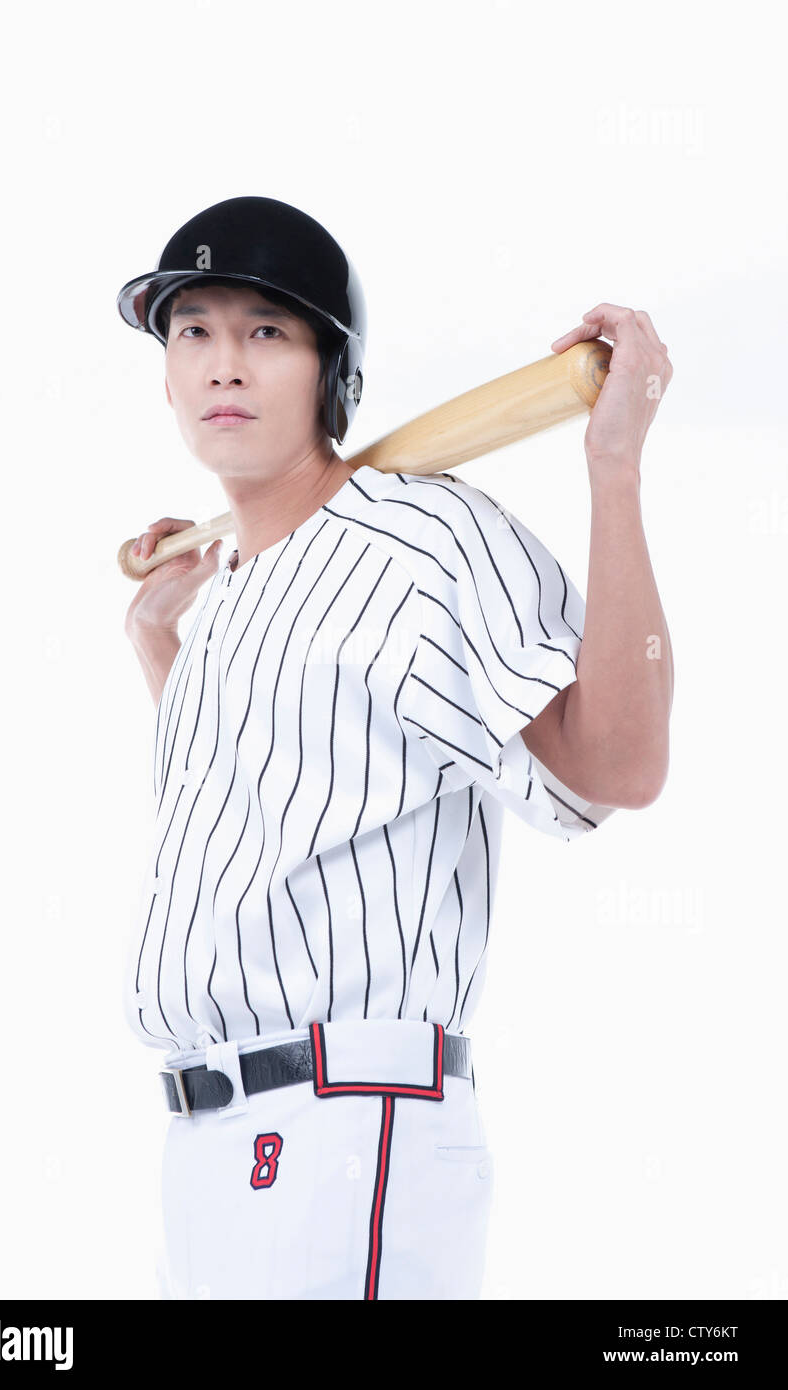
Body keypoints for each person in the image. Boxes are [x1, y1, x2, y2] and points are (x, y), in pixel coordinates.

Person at [116, 196, 673, 1300]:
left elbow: (613, 766)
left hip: (342, 1125)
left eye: (266, 332)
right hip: (204, 1142)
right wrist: (155, 637)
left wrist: (612, 468)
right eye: (195, 330)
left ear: (331, 372)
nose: (224, 363)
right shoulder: (230, 593)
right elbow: (263, 799)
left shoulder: (418, 533)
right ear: (168, 371)